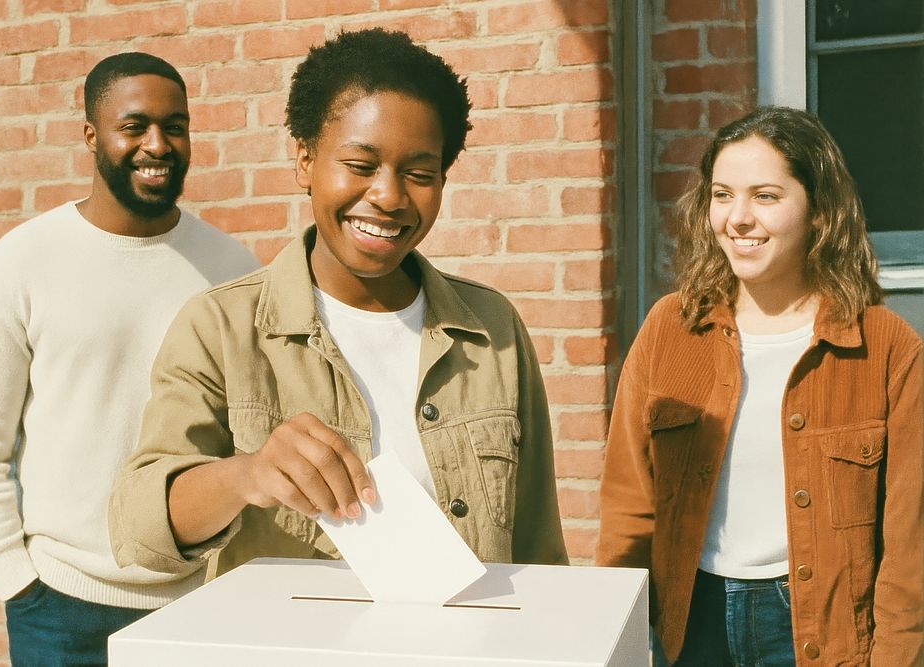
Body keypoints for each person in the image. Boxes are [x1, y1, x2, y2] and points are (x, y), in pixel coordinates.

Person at [109, 28, 567, 582]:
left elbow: (539, 549)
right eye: (360, 164)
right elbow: (138, 529)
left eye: (420, 174)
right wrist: (246, 476)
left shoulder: (491, 329)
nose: (390, 195)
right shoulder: (222, 328)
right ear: (305, 160)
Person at [0, 52, 259, 664]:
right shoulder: (20, 264)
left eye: (176, 126)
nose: (158, 144)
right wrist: (17, 581)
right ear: (91, 134)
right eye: (134, 126)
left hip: (199, 600)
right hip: (59, 607)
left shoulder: (232, 271)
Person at [597, 106, 922, 666]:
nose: (738, 218)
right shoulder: (669, 330)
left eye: (766, 196)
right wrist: (615, 637)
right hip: (691, 621)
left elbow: (910, 544)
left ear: (819, 211)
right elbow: (629, 507)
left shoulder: (886, 347)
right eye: (722, 195)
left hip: (820, 632)